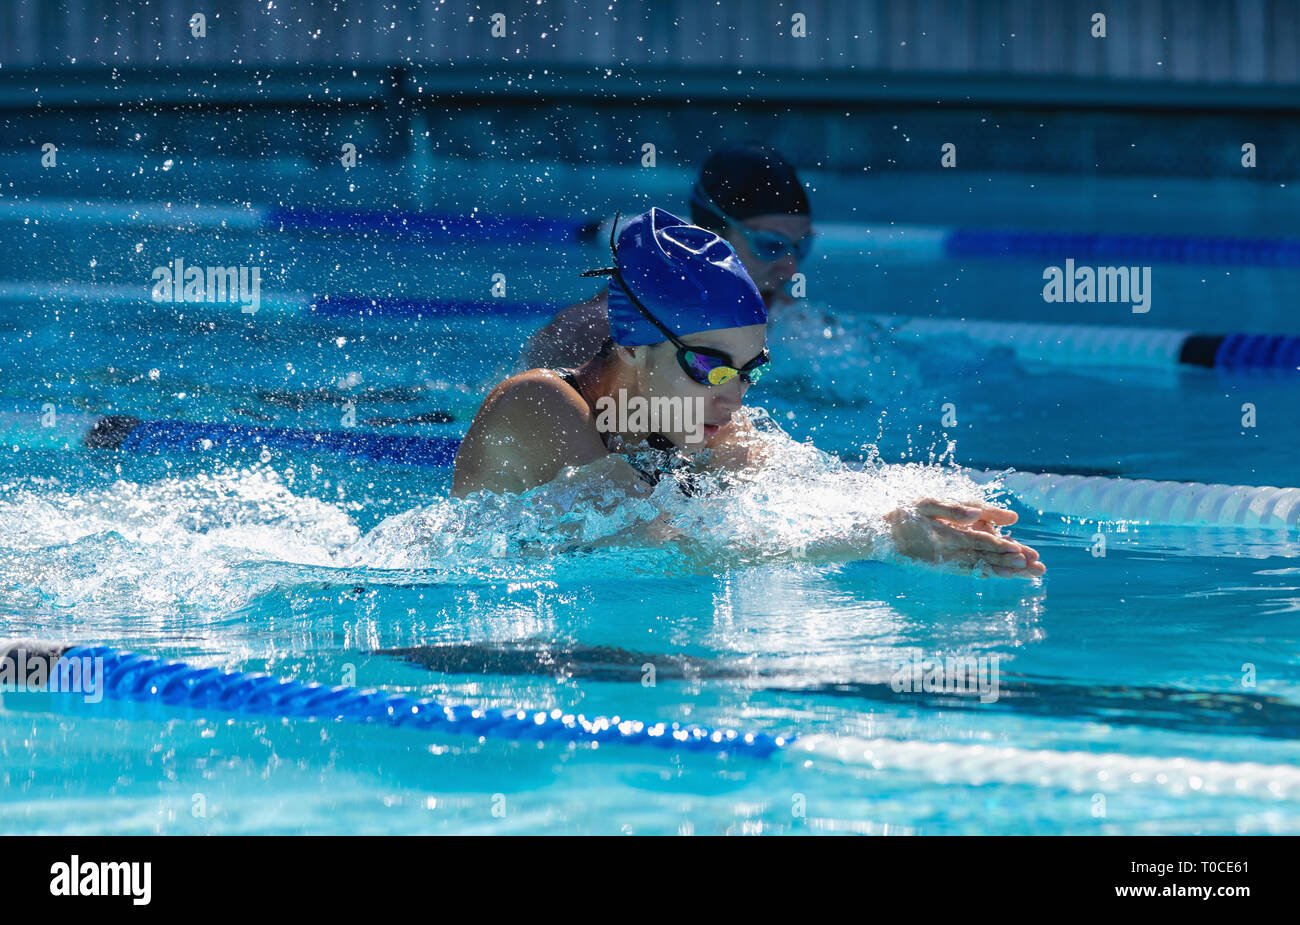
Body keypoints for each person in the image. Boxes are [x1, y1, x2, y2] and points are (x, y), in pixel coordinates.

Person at [454, 208, 1045, 579]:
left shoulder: (699, 428)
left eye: (747, 371)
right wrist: (883, 537)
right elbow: (658, 550)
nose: (732, 397)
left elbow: (810, 498)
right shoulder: (537, 406)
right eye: (710, 366)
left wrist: (921, 514)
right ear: (633, 347)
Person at [520, 143, 814, 369]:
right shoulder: (602, 332)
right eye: (770, 246)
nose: (790, 269)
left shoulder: (797, 325)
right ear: (713, 236)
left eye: (801, 246)